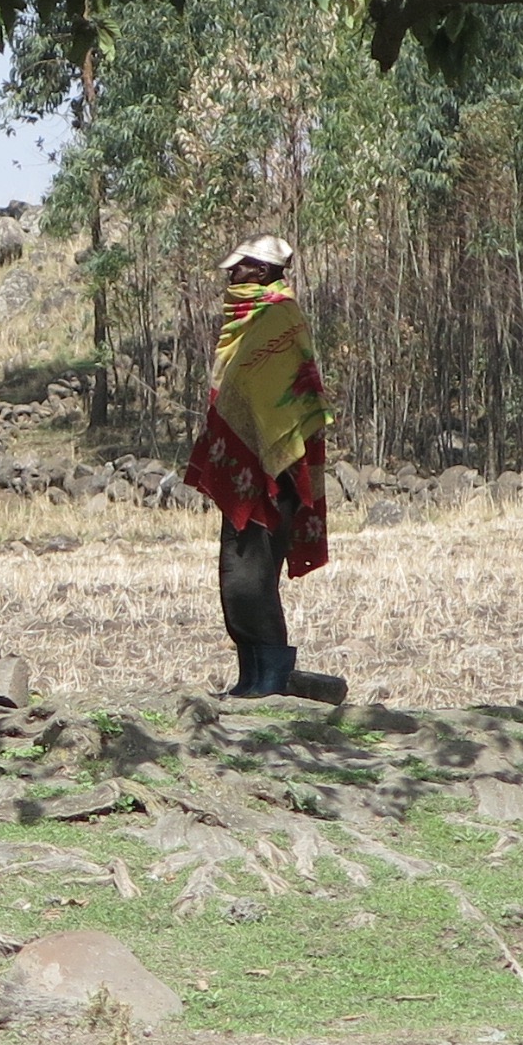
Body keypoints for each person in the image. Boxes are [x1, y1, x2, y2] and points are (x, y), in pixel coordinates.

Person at [182, 236, 347, 703]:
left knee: (254, 579)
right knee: (234, 579)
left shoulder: (279, 317)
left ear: (259, 272)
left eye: (238, 269)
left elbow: (286, 399)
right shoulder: (240, 321)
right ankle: (251, 673)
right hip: (244, 472)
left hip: (277, 475)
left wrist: (274, 458)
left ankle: (272, 676)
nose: (230, 276)